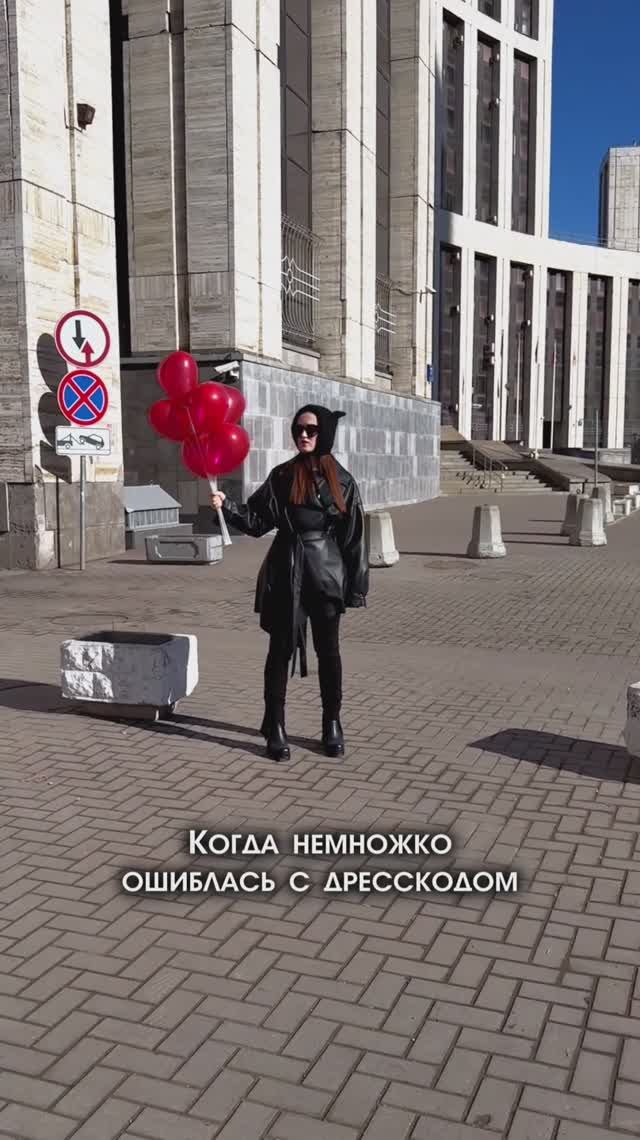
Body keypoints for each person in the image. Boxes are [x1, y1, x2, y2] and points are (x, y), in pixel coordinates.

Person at [210, 405, 369, 762]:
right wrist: (227, 506)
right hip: (287, 571)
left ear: (325, 433)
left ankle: (332, 723)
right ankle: (275, 725)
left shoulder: (343, 480)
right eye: (298, 429)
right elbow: (257, 520)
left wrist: (356, 587)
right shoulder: (282, 475)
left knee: (329, 652)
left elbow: (355, 537)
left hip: (326, 575)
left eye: (311, 430)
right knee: (279, 651)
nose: (303, 436)